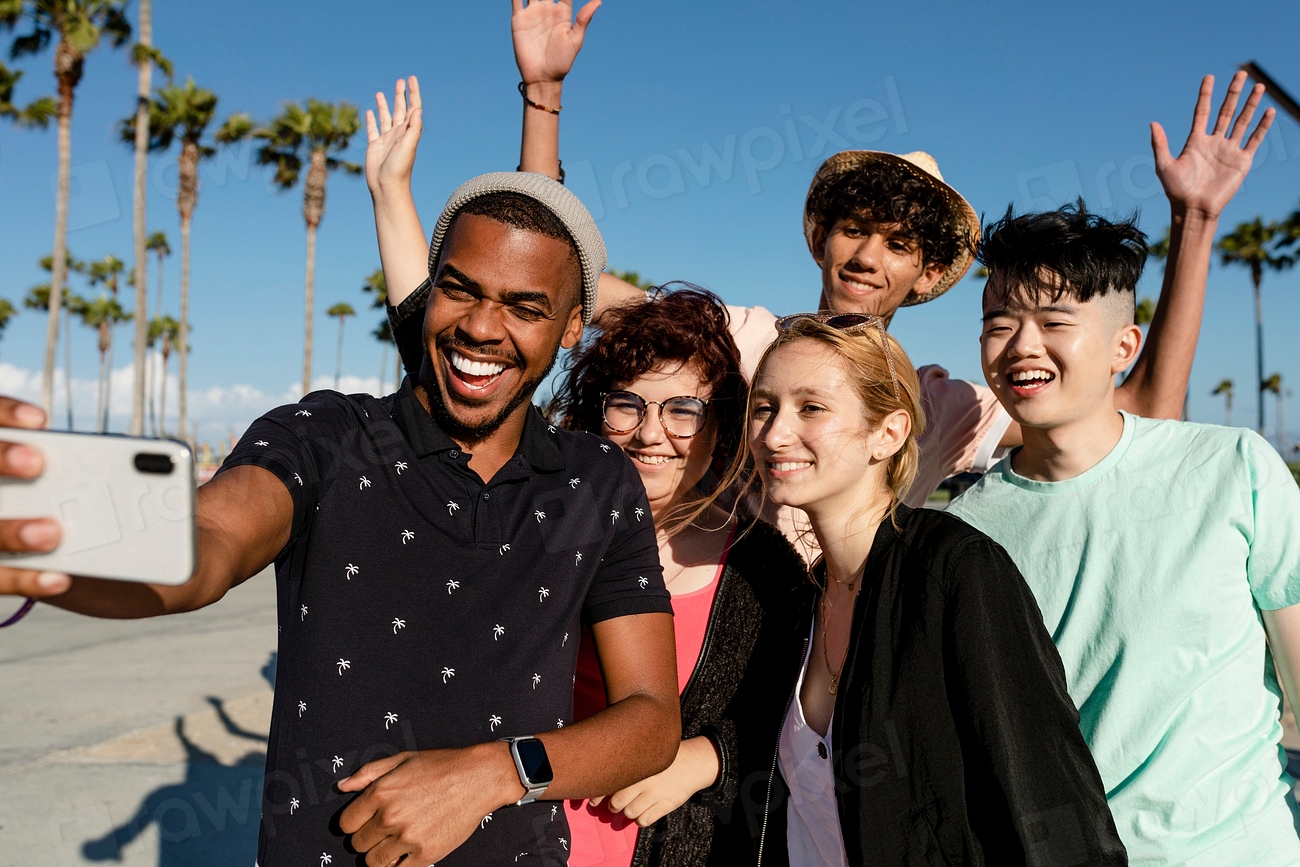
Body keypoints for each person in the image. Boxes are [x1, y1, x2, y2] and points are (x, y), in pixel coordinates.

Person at [364, 0, 1272, 559]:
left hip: (838, 684)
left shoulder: (943, 405)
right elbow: (569, 276)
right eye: (853, 228)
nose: (868, 257)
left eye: (897, 244)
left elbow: (1137, 419)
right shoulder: (748, 336)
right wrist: (545, 100)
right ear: (822, 239)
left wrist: (1194, 226)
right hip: (713, 639)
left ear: (924, 273)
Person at [0, 173, 684, 867]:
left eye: (524, 306)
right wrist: (47, 532)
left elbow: (652, 719)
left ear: (571, 327)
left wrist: (493, 773)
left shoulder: (596, 481)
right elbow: (207, 546)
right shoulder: (327, 435)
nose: (481, 326)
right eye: (459, 288)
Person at [947, 202, 1300, 865]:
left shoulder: (1232, 468)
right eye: (999, 325)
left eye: (1054, 321)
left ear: (1123, 346)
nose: (1022, 345)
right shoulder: (963, 533)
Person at [714, 313, 1126, 865]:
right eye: (764, 407)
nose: (773, 433)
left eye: (810, 407)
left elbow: (1051, 801)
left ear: (888, 434)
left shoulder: (955, 570)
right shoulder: (795, 600)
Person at [546, 286, 806, 866]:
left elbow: (797, 721)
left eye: (682, 410)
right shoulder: (543, 533)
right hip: (525, 838)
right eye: (626, 404)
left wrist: (710, 758)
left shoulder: (764, 569)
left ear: (721, 429)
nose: (648, 433)